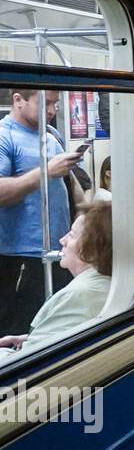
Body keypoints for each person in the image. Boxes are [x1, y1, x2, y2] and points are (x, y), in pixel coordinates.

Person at [0, 87, 86, 337]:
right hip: (20, 259)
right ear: (18, 100)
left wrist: (83, 215)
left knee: (55, 330)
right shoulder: (5, 136)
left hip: (60, 253)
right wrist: (46, 171)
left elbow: (69, 183)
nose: (52, 111)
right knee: (20, 333)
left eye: (55, 104)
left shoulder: (51, 135)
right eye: (46, 103)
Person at [0, 202, 112, 359]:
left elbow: (29, 359)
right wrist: (30, 338)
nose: (62, 240)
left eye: (71, 235)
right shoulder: (103, 284)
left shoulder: (80, 295)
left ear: (92, 249)